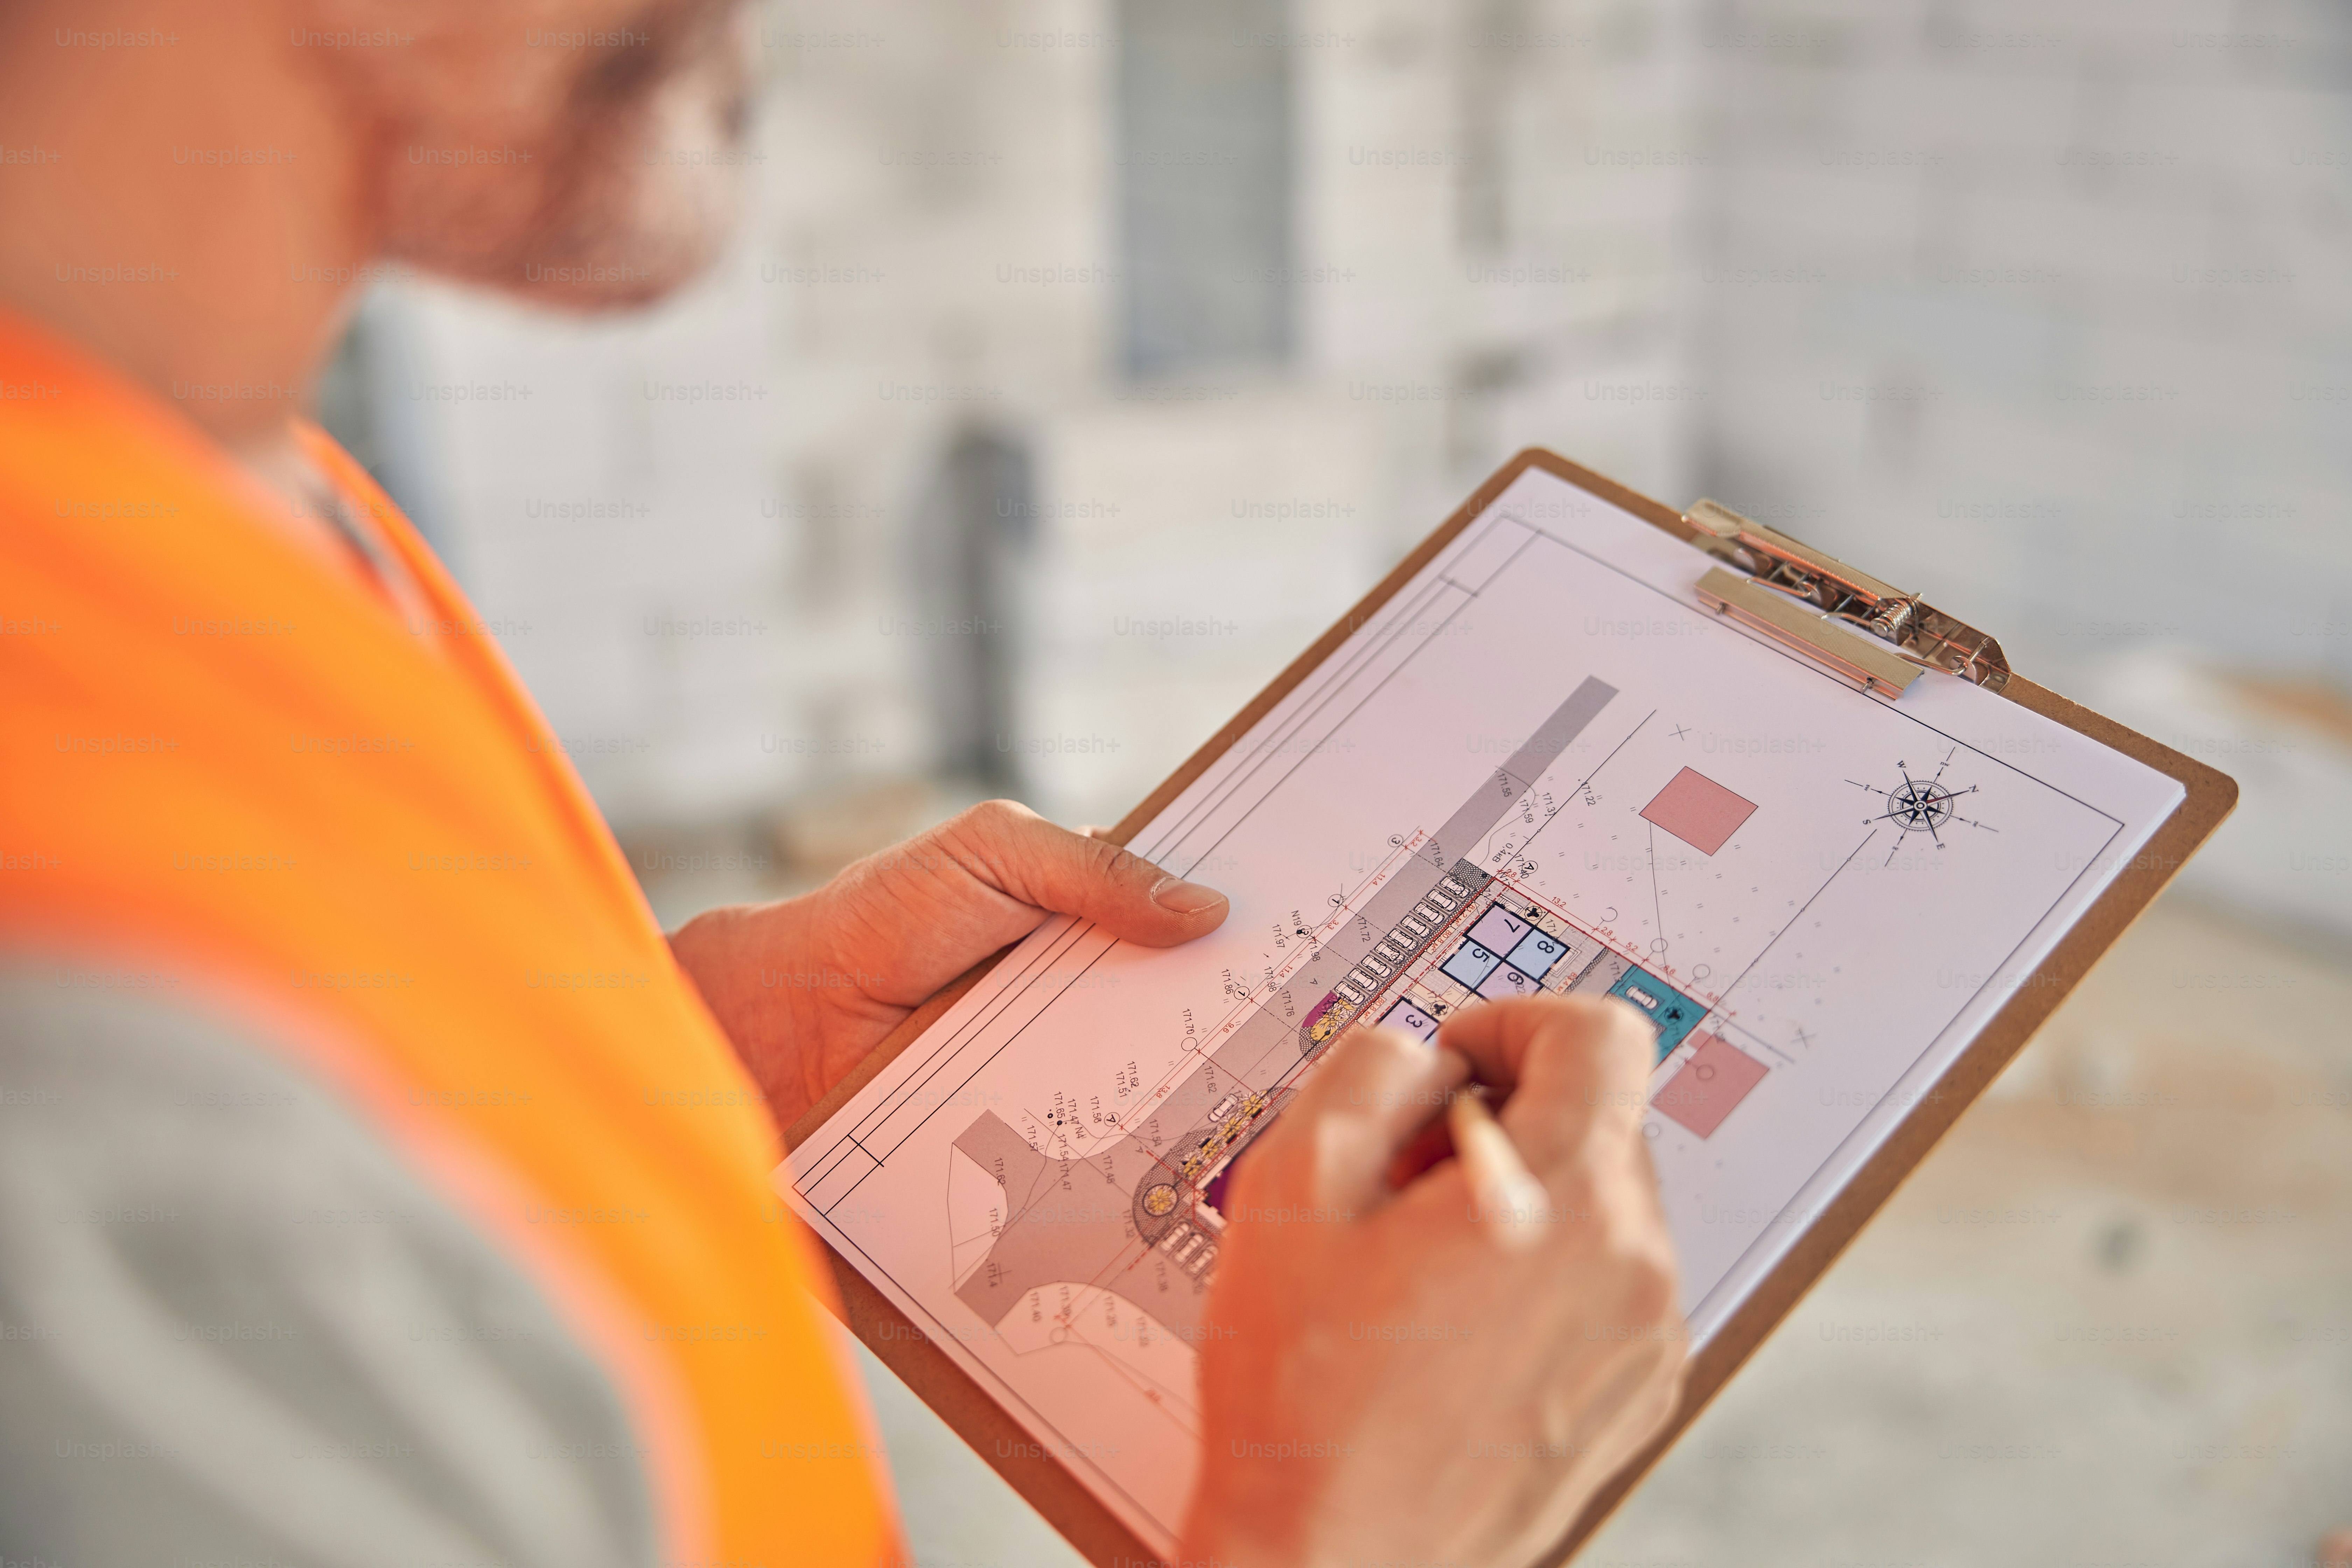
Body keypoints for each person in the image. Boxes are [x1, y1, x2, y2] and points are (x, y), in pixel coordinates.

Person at [0, 1, 1686, 1565]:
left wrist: (688, 1062)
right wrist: (1338, 1527)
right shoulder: (70, 1117)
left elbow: (329, 1121)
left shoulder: (217, 484)